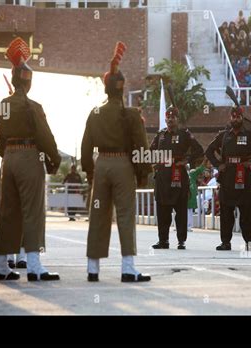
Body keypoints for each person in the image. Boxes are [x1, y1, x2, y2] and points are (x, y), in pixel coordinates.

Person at [81, 42, 152, 282]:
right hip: (123, 165)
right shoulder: (131, 114)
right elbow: (142, 147)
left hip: (101, 164)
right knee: (125, 215)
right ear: (121, 90)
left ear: (106, 89)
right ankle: (128, 268)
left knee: (98, 216)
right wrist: (143, 174)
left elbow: (85, 147)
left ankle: (93, 269)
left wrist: (91, 173)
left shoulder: (95, 112)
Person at [0, 37, 61, 281]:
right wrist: (54, 160)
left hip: (8, 160)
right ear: (28, 82)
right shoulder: (34, 106)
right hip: (29, 156)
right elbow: (45, 136)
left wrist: (7, 154)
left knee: (8, 212)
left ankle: (0, 265)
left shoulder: (3, 104)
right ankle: (34, 265)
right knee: (32, 212)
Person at [205, 106, 251, 251]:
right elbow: (209, 151)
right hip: (227, 177)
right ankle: (225, 242)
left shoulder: (250, 135)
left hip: (245, 177)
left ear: (242, 118)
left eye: (238, 117)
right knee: (226, 213)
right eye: (233, 117)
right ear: (230, 118)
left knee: (247, 213)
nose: (235, 119)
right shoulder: (223, 135)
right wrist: (218, 165)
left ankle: (249, 243)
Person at [150, 105, 204, 250]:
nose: (170, 120)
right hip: (162, 178)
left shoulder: (184, 134)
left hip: (178, 176)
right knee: (162, 211)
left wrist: (187, 160)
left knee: (180, 211)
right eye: (168, 117)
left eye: (172, 117)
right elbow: (150, 151)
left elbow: (199, 150)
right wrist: (154, 163)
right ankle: (163, 241)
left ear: (177, 119)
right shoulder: (160, 135)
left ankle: (181, 241)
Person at [187, 161, 207, 232]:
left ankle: (188, 226)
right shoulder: (178, 173)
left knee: (189, 210)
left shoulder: (191, 174)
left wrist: (204, 161)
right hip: (182, 194)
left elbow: (199, 169)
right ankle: (180, 226)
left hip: (189, 194)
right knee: (180, 210)